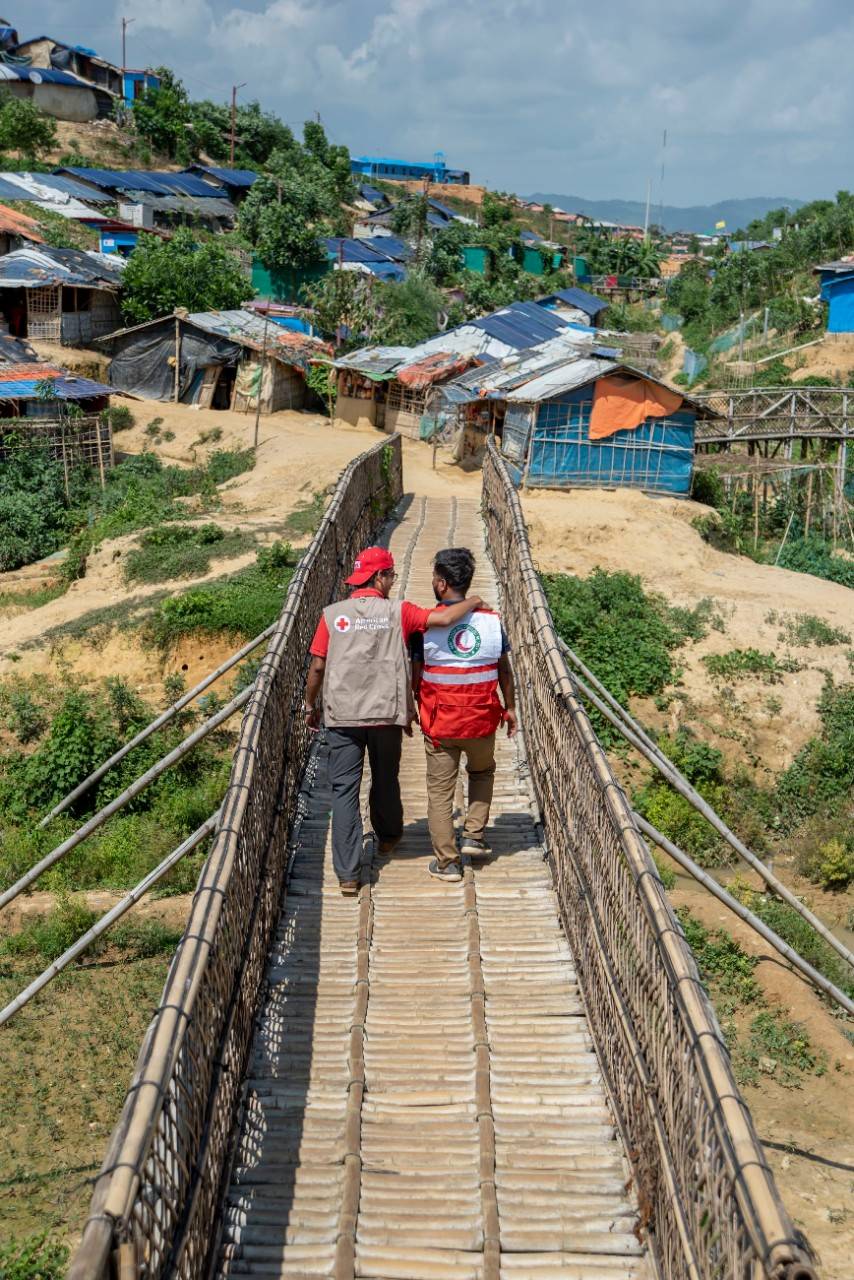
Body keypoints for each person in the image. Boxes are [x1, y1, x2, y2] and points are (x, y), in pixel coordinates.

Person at [304, 546, 483, 896]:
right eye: (391, 576)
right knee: (385, 777)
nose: (392, 581)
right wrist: (474, 601)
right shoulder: (398, 611)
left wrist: (311, 704)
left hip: (342, 715)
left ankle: (348, 873)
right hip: (386, 712)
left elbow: (317, 667)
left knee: (343, 790)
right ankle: (387, 838)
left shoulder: (332, 615)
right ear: (380, 577)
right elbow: (443, 618)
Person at [410, 547, 517, 884]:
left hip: (440, 722)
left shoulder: (424, 626)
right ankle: (473, 835)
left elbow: (416, 677)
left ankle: (447, 863)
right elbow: (505, 671)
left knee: (440, 792)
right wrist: (510, 707)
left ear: (442, 585)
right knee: (482, 771)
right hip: (482, 719)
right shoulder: (492, 621)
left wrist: (418, 702)